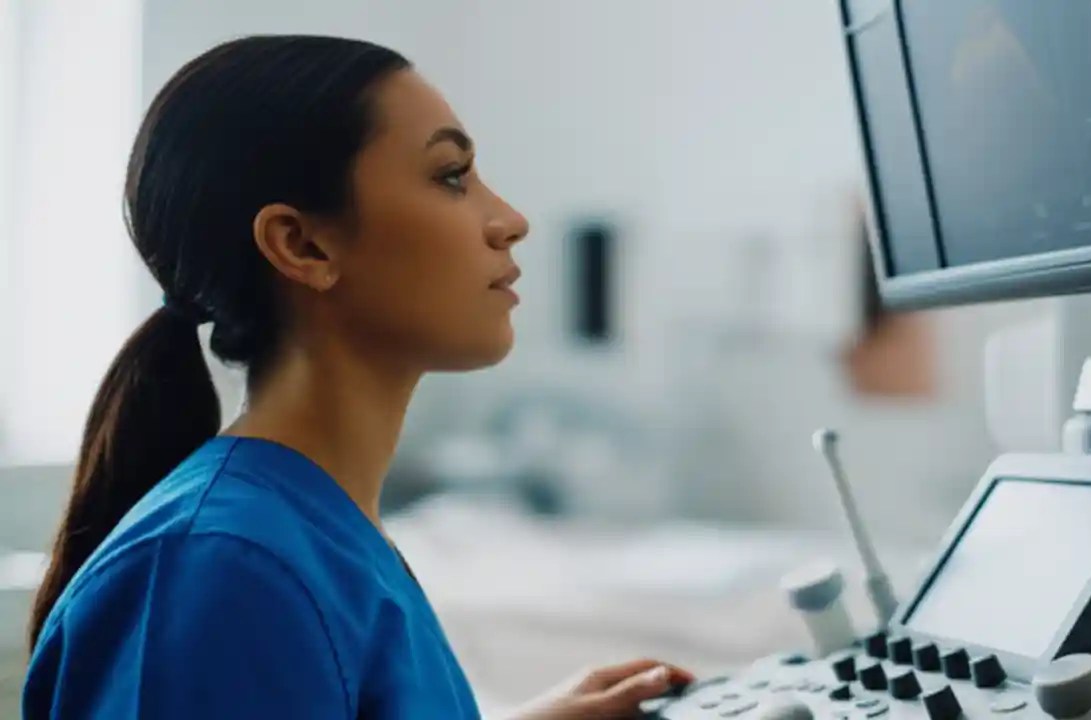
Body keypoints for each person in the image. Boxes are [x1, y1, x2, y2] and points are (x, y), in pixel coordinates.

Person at [23, 35, 692, 719]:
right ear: (302, 245)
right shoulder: (224, 567)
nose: (510, 221)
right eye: (451, 176)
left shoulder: (305, 532)